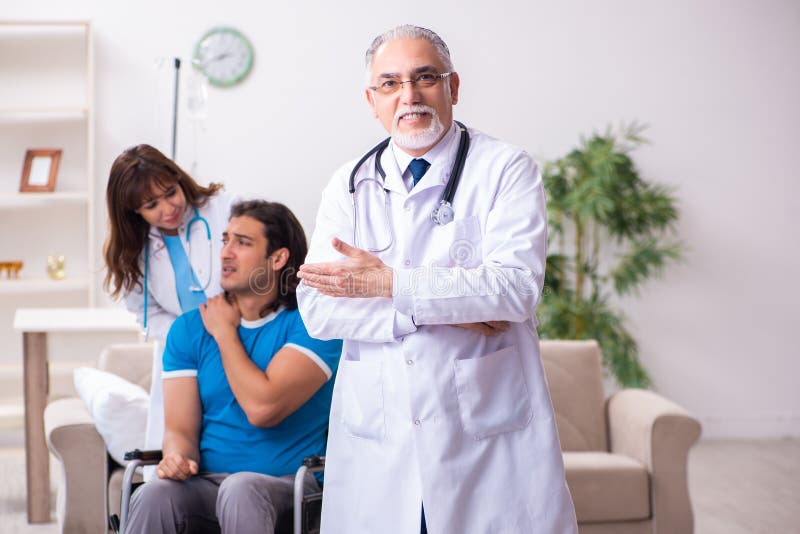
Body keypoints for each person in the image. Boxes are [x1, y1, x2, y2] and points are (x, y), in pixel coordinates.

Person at [297, 25, 578, 533]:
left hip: (486, 438)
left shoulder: (505, 169)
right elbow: (318, 308)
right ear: (372, 99)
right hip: (381, 439)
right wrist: (457, 305)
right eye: (390, 83)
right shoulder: (349, 184)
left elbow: (514, 290)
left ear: (453, 86)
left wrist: (387, 284)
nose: (409, 96)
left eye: (425, 77)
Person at [126, 199, 342, 534]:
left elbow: (263, 407)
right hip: (208, 484)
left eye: (242, 243)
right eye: (225, 240)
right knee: (154, 495)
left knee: (240, 488)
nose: (226, 252)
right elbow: (180, 430)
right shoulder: (189, 330)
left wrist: (226, 332)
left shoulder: (315, 324)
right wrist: (177, 457)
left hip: (287, 487)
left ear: (278, 258)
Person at [103, 144, 236, 462]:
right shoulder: (131, 251)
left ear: (180, 180)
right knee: (183, 450)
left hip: (238, 338)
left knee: (234, 439)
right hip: (185, 351)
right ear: (133, 210)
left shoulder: (222, 209)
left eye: (171, 192)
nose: (168, 208)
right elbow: (146, 313)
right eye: (151, 204)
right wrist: (188, 333)